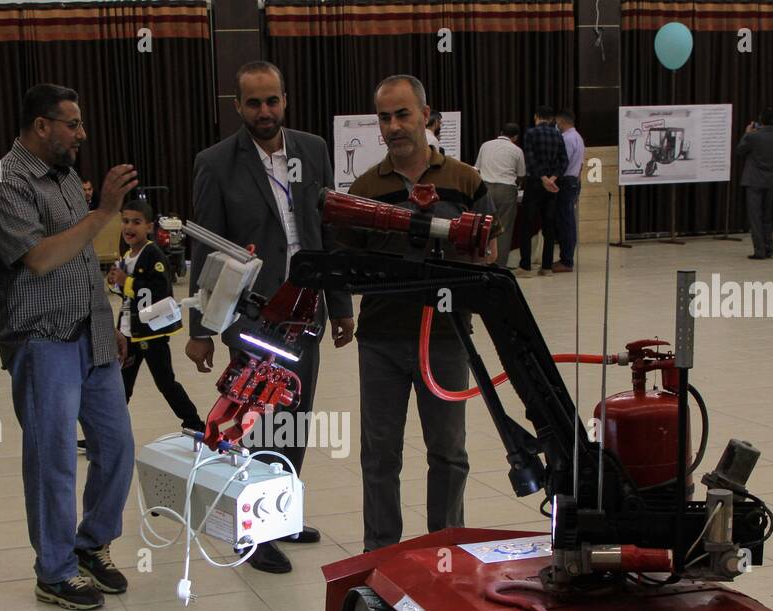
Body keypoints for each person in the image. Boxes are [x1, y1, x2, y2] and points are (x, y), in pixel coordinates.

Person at [0, 84, 138, 611]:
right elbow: (40, 259)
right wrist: (104, 210)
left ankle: (90, 545)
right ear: (41, 126)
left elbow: (83, 260)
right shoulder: (1, 184)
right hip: (42, 340)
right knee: (53, 460)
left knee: (117, 448)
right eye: (73, 124)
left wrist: (104, 320)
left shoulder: (64, 175)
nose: (81, 135)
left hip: (90, 335)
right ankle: (55, 570)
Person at [186, 60, 354, 574]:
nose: (265, 111)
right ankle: (251, 533)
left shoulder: (314, 150)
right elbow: (204, 249)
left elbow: (329, 233)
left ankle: (279, 514)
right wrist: (200, 330)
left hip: (307, 309)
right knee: (259, 421)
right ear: (238, 107)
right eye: (254, 103)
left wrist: (342, 303)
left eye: (272, 100)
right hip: (253, 315)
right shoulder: (216, 163)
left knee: (295, 418)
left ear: (285, 99)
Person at [339, 75, 499, 552]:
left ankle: (445, 550)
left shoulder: (466, 181)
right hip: (382, 341)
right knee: (380, 455)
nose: (394, 126)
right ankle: (381, 552)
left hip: (447, 339)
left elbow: (490, 256)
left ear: (426, 116)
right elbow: (348, 262)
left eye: (402, 114)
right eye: (385, 118)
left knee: (449, 453)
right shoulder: (365, 188)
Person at [108, 198, 204, 432]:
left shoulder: (154, 256)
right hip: (129, 333)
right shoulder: (127, 255)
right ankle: (105, 434)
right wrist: (115, 282)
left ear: (150, 227)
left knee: (165, 383)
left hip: (152, 334)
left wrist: (126, 281)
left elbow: (158, 292)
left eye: (137, 222)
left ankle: (195, 424)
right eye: (126, 221)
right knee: (120, 386)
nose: (129, 227)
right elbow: (127, 296)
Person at [517, 105, 567, 277]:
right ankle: (546, 267)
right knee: (549, 226)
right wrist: (552, 178)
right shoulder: (558, 134)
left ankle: (525, 267)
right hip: (552, 187)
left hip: (535, 183)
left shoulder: (531, 133)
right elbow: (564, 161)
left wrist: (543, 178)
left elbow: (530, 159)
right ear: (552, 119)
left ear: (536, 117)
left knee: (527, 225)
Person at [736, 108, 773, 259]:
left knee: (755, 217)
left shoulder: (753, 137)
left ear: (760, 120)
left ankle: (759, 251)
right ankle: (769, 248)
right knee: (767, 216)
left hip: (754, 180)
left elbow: (740, 150)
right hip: (770, 180)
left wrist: (747, 133)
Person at [475, 122, 525, 267]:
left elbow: (477, 168)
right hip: (506, 190)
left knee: (482, 227)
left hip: (485, 189)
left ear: (501, 132)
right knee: (504, 229)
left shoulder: (485, 145)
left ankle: (481, 262)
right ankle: (499, 265)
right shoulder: (517, 150)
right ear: (515, 137)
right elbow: (521, 174)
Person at [554, 108, 585, 273]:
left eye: (557, 122)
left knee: (565, 222)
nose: (556, 125)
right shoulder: (578, 137)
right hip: (574, 180)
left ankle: (566, 261)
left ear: (562, 122)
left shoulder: (566, 138)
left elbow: (563, 162)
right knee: (569, 221)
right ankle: (566, 258)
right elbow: (580, 164)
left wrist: (552, 178)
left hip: (565, 181)